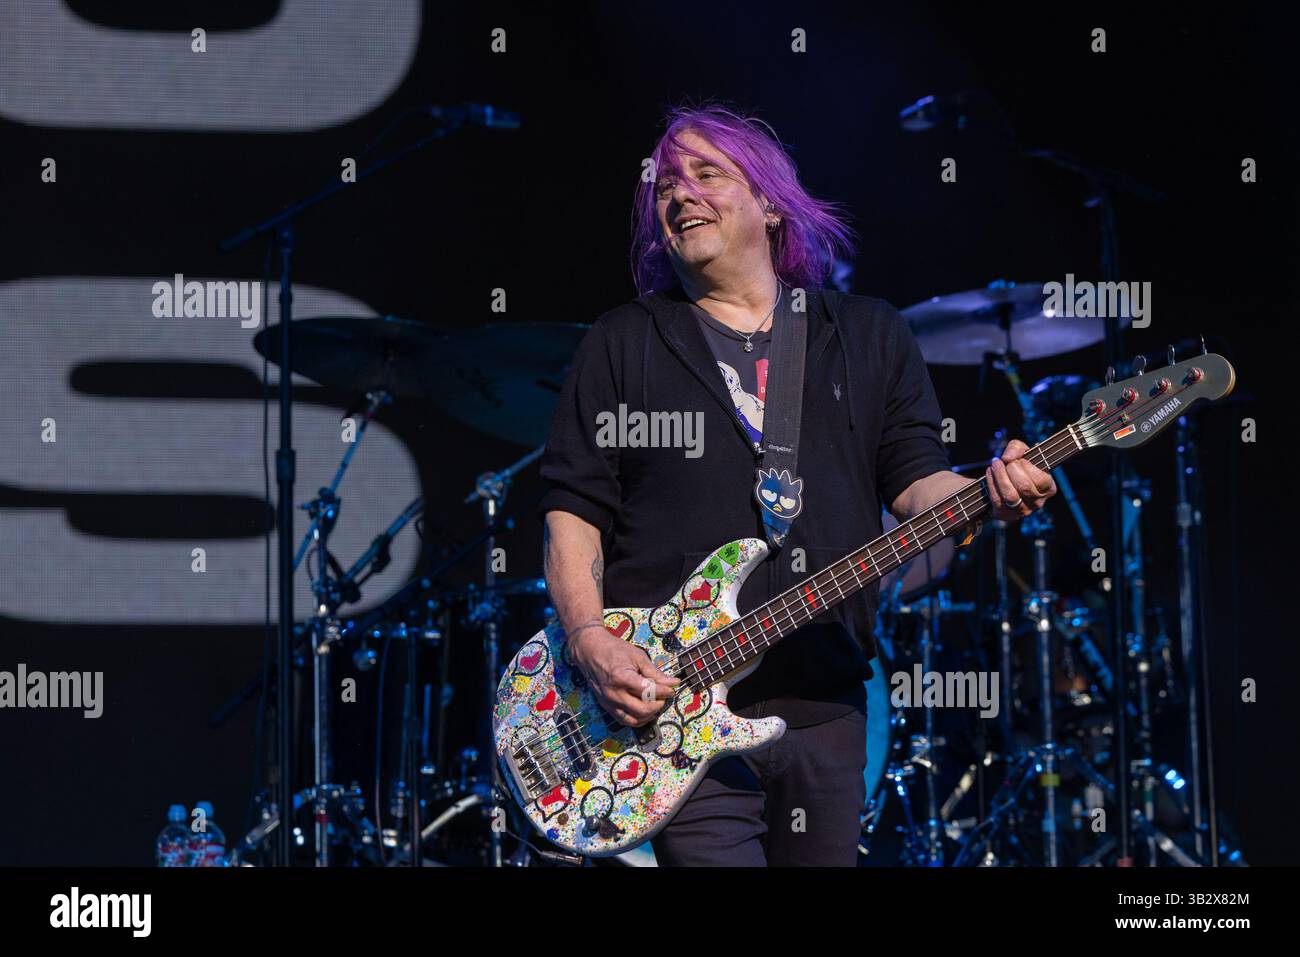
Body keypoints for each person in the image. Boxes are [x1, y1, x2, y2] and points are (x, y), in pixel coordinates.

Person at [537, 105, 1056, 865]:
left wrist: (991, 490)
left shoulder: (868, 333)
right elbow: (572, 513)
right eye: (665, 187)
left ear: (772, 203)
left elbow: (918, 487)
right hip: (675, 716)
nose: (679, 195)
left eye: (706, 174)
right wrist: (588, 640)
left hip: (826, 703)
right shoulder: (624, 341)